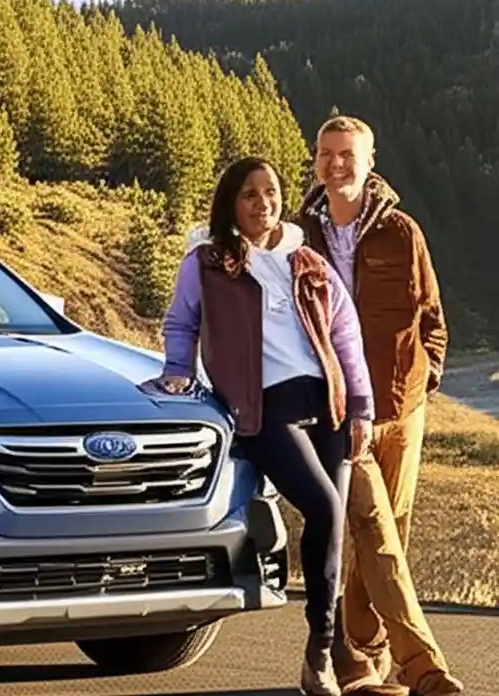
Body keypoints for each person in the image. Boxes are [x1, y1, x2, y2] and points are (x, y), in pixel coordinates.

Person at [158, 156, 374, 696]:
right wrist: (177, 374)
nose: (263, 203)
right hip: (265, 408)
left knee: (333, 527)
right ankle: (323, 651)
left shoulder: (306, 260)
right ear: (231, 203)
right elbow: (180, 321)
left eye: (271, 192)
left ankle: (321, 656)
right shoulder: (207, 262)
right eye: (250, 194)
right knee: (323, 507)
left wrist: (362, 406)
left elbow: (345, 333)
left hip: (327, 403)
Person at [296, 115, 463, 695]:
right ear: (315, 159)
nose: (336, 163)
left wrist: (427, 375)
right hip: (343, 411)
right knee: (372, 529)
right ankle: (424, 667)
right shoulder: (299, 238)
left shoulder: (401, 231)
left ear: (370, 162)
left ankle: (360, 660)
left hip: (404, 407)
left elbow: (432, 315)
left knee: (391, 534)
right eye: (326, 152)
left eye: (347, 154)